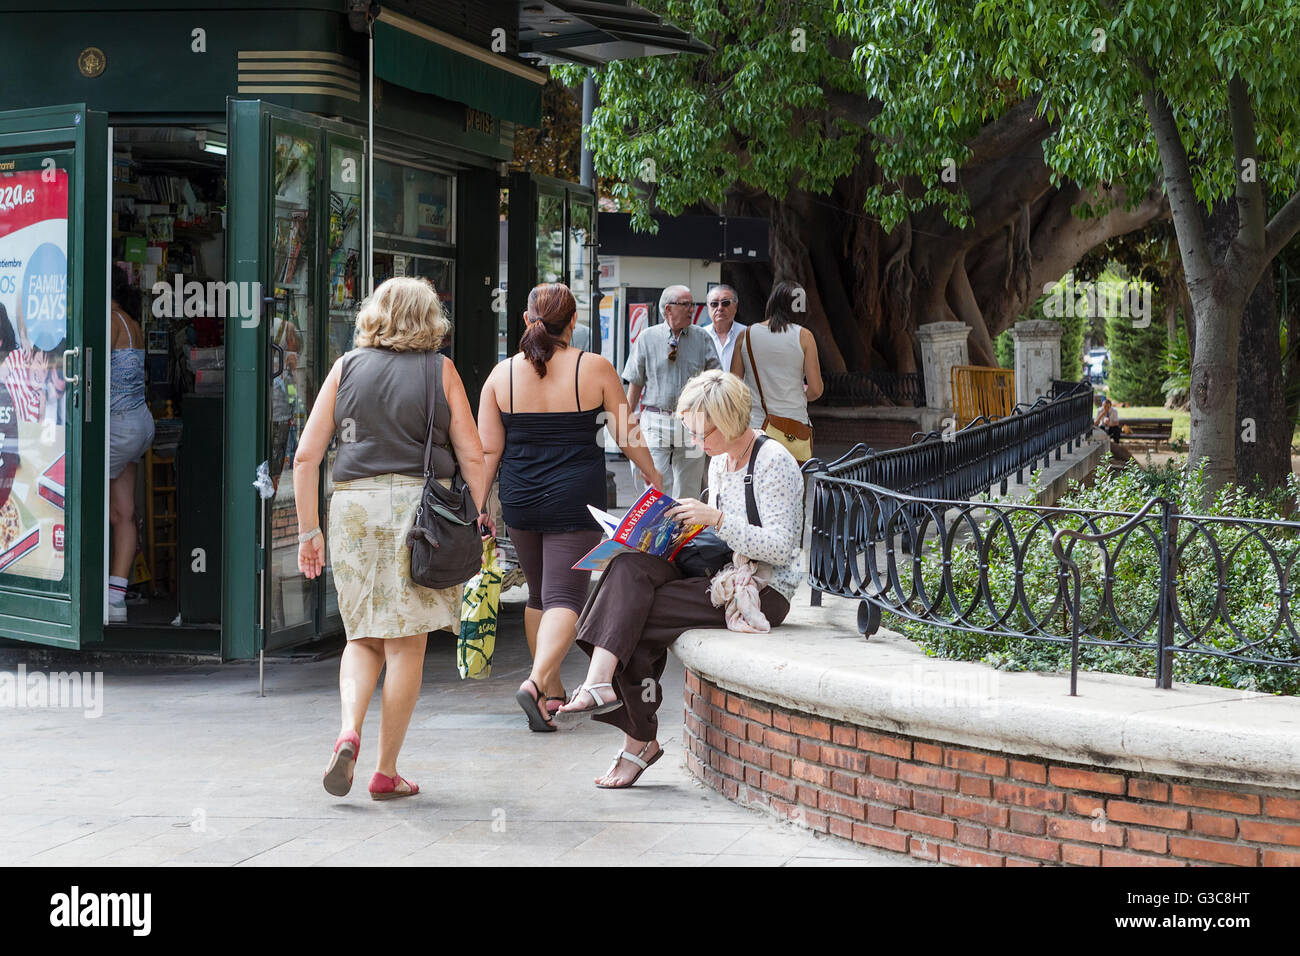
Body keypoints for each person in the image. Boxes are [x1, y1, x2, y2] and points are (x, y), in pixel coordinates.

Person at [293, 277, 495, 801]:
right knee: (407, 644)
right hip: (420, 510)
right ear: (430, 319)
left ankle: (347, 731)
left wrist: (309, 530)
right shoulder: (440, 370)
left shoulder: (345, 368)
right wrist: (481, 514)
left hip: (353, 508)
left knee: (361, 636)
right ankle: (385, 772)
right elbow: (472, 454)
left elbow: (306, 457)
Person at [555, 370, 804, 788]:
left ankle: (637, 738)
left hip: (761, 589)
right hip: (718, 568)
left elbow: (782, 548)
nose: (695, 443)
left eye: (701, 432)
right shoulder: (722, 459)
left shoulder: (774, 461)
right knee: (627, 566)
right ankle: (600, 684)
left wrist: (717, 518)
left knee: (631, 616)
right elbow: (714, 537)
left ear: (727, 421)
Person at [478, 283, 663, 733]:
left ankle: (553, 691)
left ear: (527, 320)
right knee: (567, 597)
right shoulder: (593, 368)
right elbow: (626, 432)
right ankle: (536, 682)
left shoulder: (500, 377)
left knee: (540, 594)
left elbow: (487, 451)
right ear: (574, 321)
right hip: (574, 497)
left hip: (519, 497)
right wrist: (654, 478)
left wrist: (479, 503)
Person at [622, 284, 719, 499]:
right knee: (656, 482)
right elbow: (635, 383)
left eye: (692, 304)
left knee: (689, 488)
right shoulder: (647, 338)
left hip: (693, 422)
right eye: (686, 304)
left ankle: (683, 531)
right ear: (668, 309)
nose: (692, 309)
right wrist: (626, 425)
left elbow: (715, 381)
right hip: (656, 420)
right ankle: (656, 530)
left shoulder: (702, 338)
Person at [107, 267, 155, 623]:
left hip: (117, 427)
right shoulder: (131, 323)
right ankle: (116, 599)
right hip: (138, 422)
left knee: (76, 503)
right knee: (124, 512)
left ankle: (87, 594)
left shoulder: (107, 320)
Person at [731, 280, 824, 449]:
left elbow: (734, 387)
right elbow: (816, 390)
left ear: (772, 303)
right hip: (794, 428)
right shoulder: (804, 337)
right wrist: (798, 395)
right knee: (793, 475)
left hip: (756, 428)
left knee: (755, 474)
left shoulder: (746, 335)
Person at [702, 284, 743, 371]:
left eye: (725, 303)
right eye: (714, 304)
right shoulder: (700, 335)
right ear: (708, 307)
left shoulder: (746, 334)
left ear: (735, 307)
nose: (720, 308)